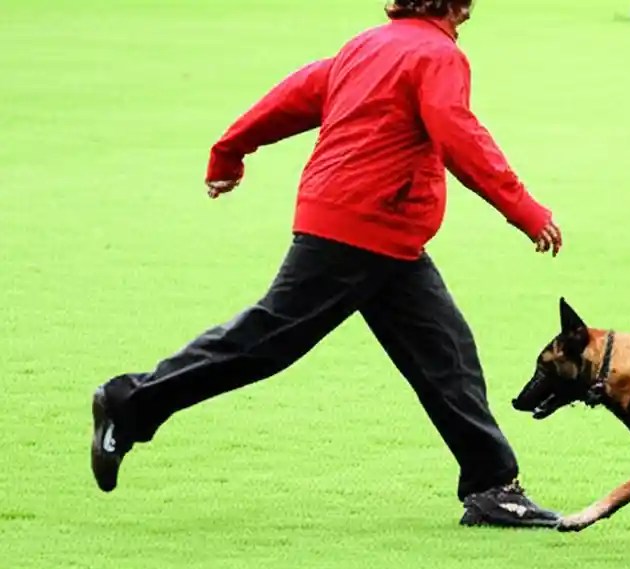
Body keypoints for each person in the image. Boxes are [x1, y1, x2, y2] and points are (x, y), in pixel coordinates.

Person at [89, 0, 563, 529]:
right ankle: (127, 402)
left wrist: (230, 150)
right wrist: (524, 210)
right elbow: (458, 134)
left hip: (382, 232)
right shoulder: (436, 55)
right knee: (265, 342)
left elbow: (295, 95)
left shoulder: (367, 45)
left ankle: (492, 486)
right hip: (360, 227)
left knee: (446, 354)